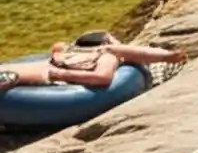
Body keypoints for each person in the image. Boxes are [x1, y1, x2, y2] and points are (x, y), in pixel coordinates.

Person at [0, 31, 186, 92]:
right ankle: (9, 77)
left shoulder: (106, 54)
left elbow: (102, 78)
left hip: (56, 71)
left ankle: (10, 77)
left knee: (38, 71)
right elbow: (139, 52)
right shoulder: (109, 52)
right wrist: (168, 56)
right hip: (57, 71)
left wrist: (61, 73)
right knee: (39, 71)